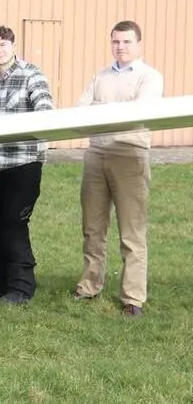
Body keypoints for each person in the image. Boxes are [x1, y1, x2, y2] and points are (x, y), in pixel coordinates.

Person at [73, 20, 163, 317]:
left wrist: (101, 112)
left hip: (130, 152)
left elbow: (137, 113)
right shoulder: (100, 76)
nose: (120, 47)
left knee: (131, 229)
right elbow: (81, 109)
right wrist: (103, 112)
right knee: (92, 226)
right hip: (97, 152)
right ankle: (89, 285)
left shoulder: (149, 77)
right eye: (115, 42)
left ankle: (133, 297)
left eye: (126, 42)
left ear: (138, 43)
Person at [0, 25, 54, 304]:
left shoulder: (31, 74)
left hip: (23, 162)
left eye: (3, 45)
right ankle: (0, 283)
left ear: (12, 45)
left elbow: (45, 110)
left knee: (15, 223)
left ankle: (21, 287)